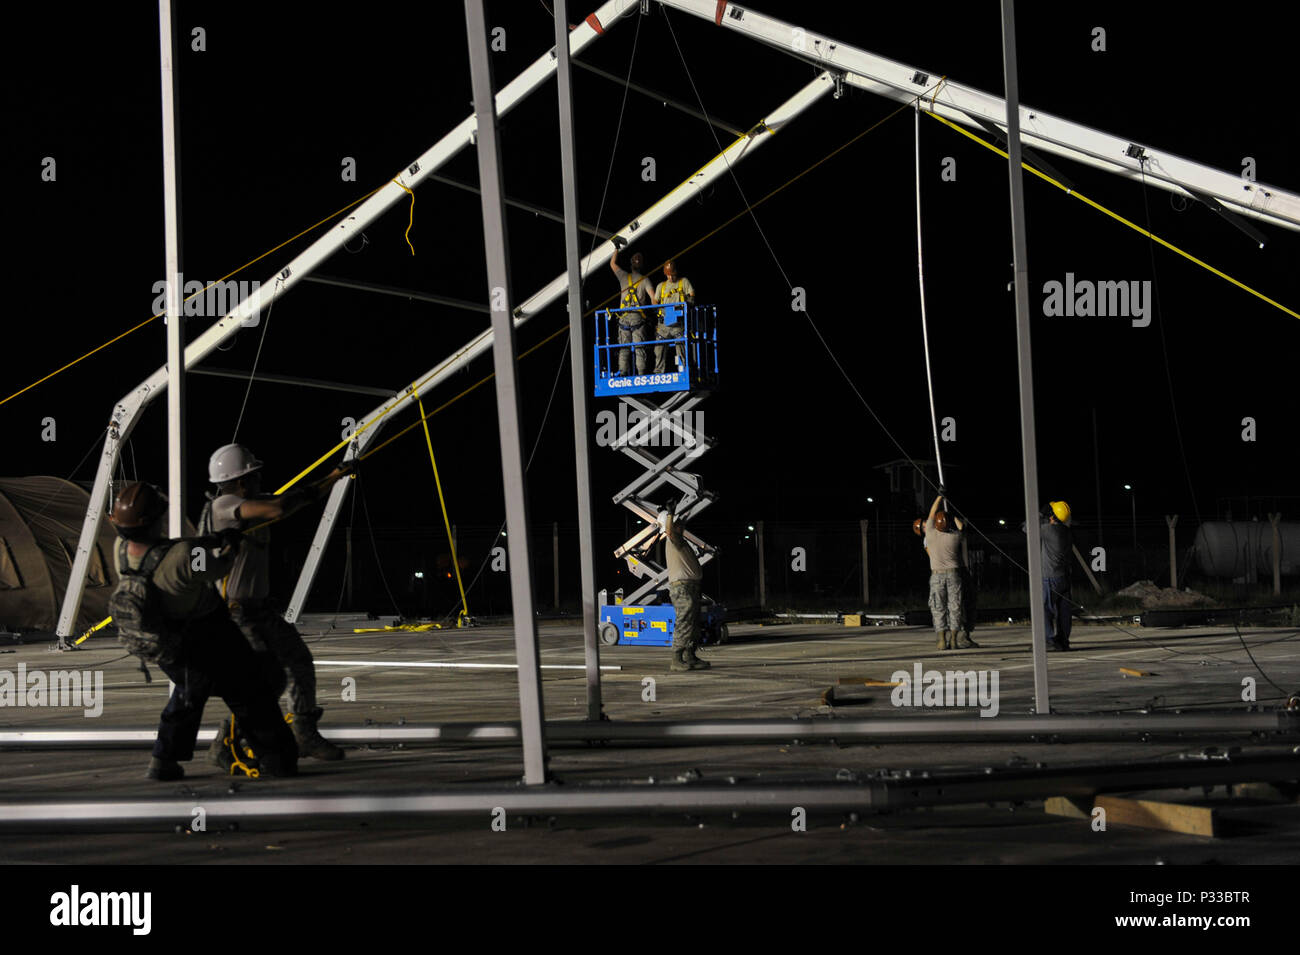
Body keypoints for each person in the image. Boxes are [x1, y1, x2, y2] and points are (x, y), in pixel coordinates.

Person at [107, 481, 298, 780]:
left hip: (165, 642)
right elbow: (218, 567)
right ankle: (277, 760)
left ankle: (163, 760)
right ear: (157, 519)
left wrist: (205, 542)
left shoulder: (121, 550)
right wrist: (231, 544)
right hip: (209, 635)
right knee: (250, 693)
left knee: (187, 695)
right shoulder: (184, 556)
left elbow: (165, 555)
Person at [200, 444, 353, 765]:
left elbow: (297, 499)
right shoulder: (224, 506)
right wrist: (333, 477)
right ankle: (225, 743)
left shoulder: (247, 500)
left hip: (259, 610)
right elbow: (280, 508)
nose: (260, 481)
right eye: (255, 476)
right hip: (236, 614)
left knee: (298, 663)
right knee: (262, 681)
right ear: (242, 481)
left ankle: (304, 733)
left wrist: (335, 477)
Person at [659, 509, 709, 672]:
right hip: (682, 588)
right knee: (685, 620)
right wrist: (670, 515)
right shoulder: (673, 539)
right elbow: (670, 531)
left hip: (691, 587)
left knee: (693, 622)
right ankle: (677, 657)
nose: (681, 526)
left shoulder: (681, 542)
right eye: (677, 524)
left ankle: (689, 655)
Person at [923, 493, 965, 651]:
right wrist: (953, 516)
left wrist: (939, 497)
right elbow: (962, 527)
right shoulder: (954, 538)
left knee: (938, 607)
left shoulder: (931, 534)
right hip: (953, 574)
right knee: (955, 606)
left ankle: (941, 639)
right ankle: (954, 638)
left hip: (937, 575)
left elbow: (931, 514)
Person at [609, 246, 658, 375]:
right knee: (639, 348)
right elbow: (653, 298)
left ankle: (623, 373)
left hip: (624, 318)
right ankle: (641, 374)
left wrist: (616, 249)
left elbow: (612, 263)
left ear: (631, 264)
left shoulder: (623, 276)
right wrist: (657, 311)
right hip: (638, 318)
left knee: (624, 348)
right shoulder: (645, 280)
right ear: (641, 265)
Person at [1036, 500, 1074, 651]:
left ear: (1052, 516)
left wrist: (1040, 514)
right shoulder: (1066, 531)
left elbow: (1027, 528)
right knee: (1064, 612)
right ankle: (1063, 641)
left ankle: (1048, 641)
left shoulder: (1049, 530)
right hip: (1064, 577)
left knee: (1045, 609)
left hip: (1049, 577)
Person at [653, 259, 696, 375]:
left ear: (676, 272)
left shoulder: (684, 282)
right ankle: (658, 373)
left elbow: (692, 296)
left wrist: (685, 303)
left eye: (672, 275)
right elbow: (655, 302)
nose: (671, 278)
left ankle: (686, 371)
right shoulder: (661, 286)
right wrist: (659, 309)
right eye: (668, 275)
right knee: (659, 347)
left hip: (678, 323)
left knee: (681, 346)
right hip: (664, 324)